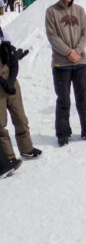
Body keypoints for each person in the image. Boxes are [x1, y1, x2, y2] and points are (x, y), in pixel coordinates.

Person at [45, 0, 86, 146]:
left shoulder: (79, 11)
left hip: (80, 62)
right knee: (64, 100)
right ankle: (63, 133)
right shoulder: (51, 12)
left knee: (84, 98)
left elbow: (85, 33)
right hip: (61, 64)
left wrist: (78, 51)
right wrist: (68, 52)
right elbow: (52, 36)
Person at [0, 25, 38, 177]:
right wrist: (4, 83)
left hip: (10, 79)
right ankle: (8, 157)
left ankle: (27, 148)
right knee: (1, 123)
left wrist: (11, 80)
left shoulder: (2, 32)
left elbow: (12, 57)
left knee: (20, 116)